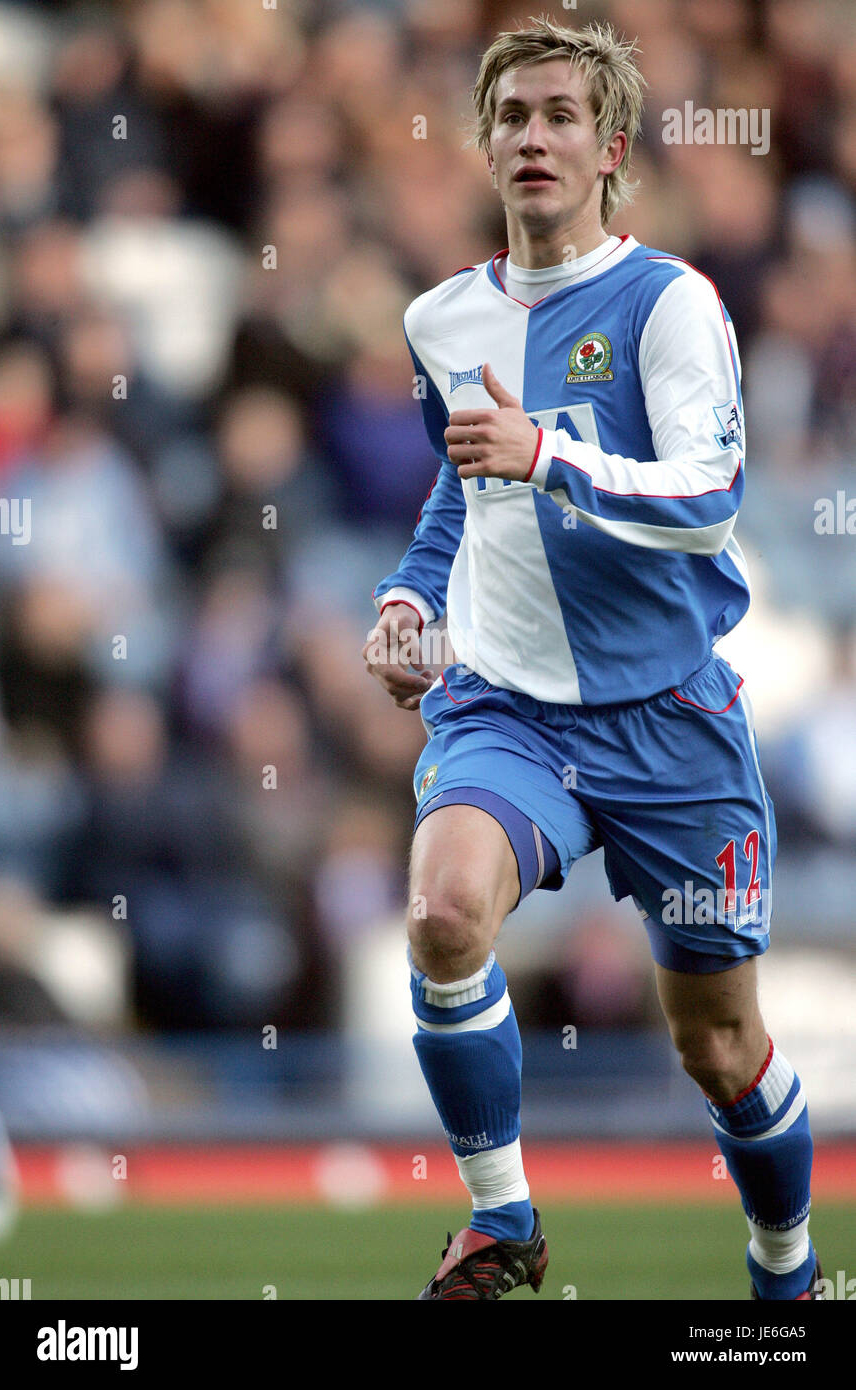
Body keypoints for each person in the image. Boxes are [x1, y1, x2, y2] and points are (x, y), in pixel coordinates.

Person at [363, 18, 818, 1302]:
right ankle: (504, 1222)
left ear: (609, 148)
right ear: (484, 145)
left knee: (720, 1047)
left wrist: (549, 455)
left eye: (561, 115)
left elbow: (708, 497)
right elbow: (458, 499)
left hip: (670, 718)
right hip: (508, 704)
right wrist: (407, 597)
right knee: (443, 909)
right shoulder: (440, 317)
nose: (531, 138)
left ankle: (784, 1274)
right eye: (510, 116)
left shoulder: (670, 303)